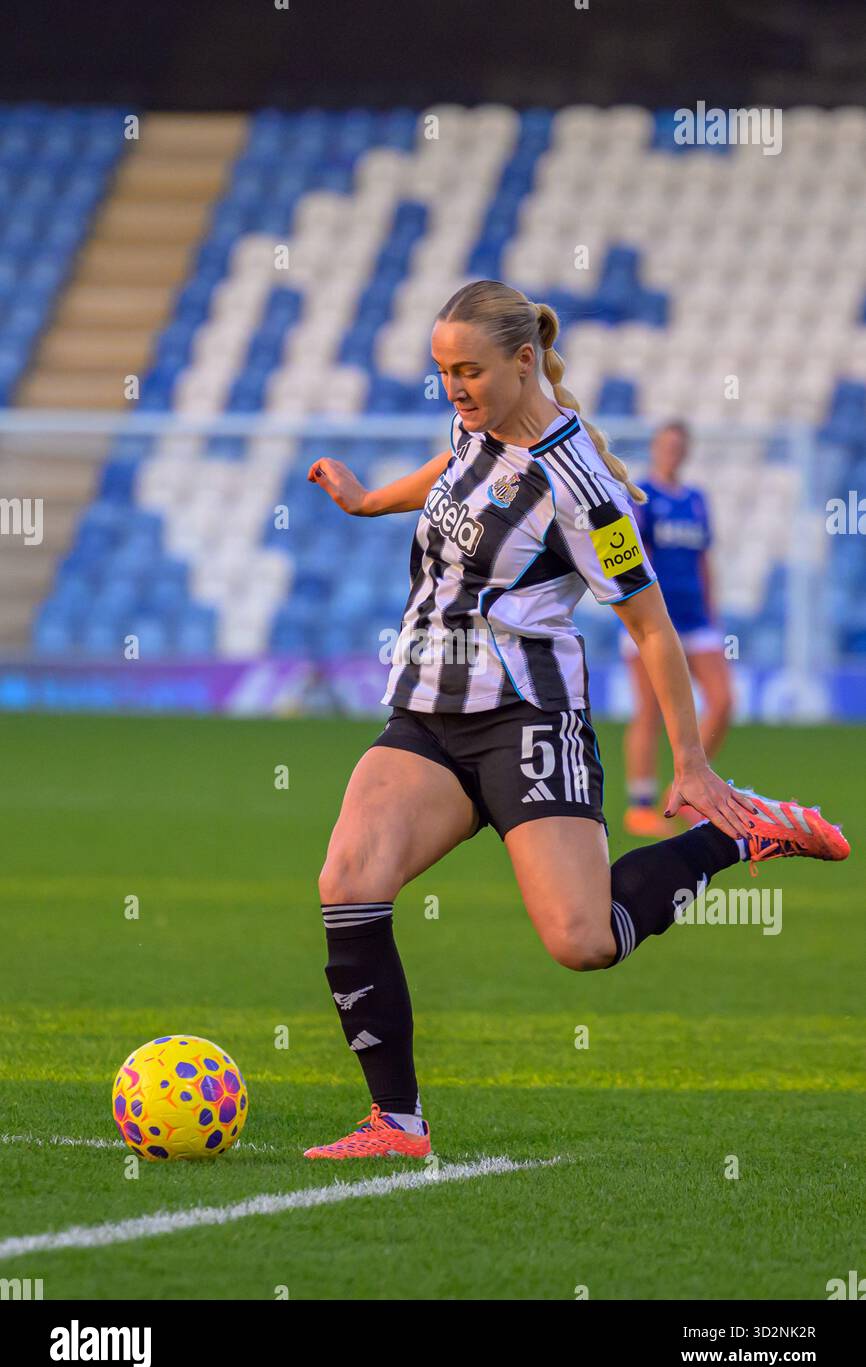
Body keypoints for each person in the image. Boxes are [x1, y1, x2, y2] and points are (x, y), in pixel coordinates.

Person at [303, 279, 849, 1160]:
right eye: (444, 372)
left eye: (470, 371)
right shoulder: (474, 423)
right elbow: (456, 472)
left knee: (583, 942)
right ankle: (396, 1122)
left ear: (525, 362)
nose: (455, 390)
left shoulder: (584, 491)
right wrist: (370, 502)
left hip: (527, 718)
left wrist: (692, 763)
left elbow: (651, 628)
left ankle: (736, 834)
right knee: (348, 882)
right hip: (428, 712)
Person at [622, 421, 733, 837]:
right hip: (655, 620)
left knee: (722, 700)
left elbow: (703, 558)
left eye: (678, 446)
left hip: (695, 617)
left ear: (684, 452)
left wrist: (712, 606)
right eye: (665, 445)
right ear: (655, 449)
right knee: (649, 712)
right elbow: (634, 559)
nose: (672, 452)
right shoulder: (642, 498)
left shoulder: (697, 500)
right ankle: (640, 805)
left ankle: (685, 786)